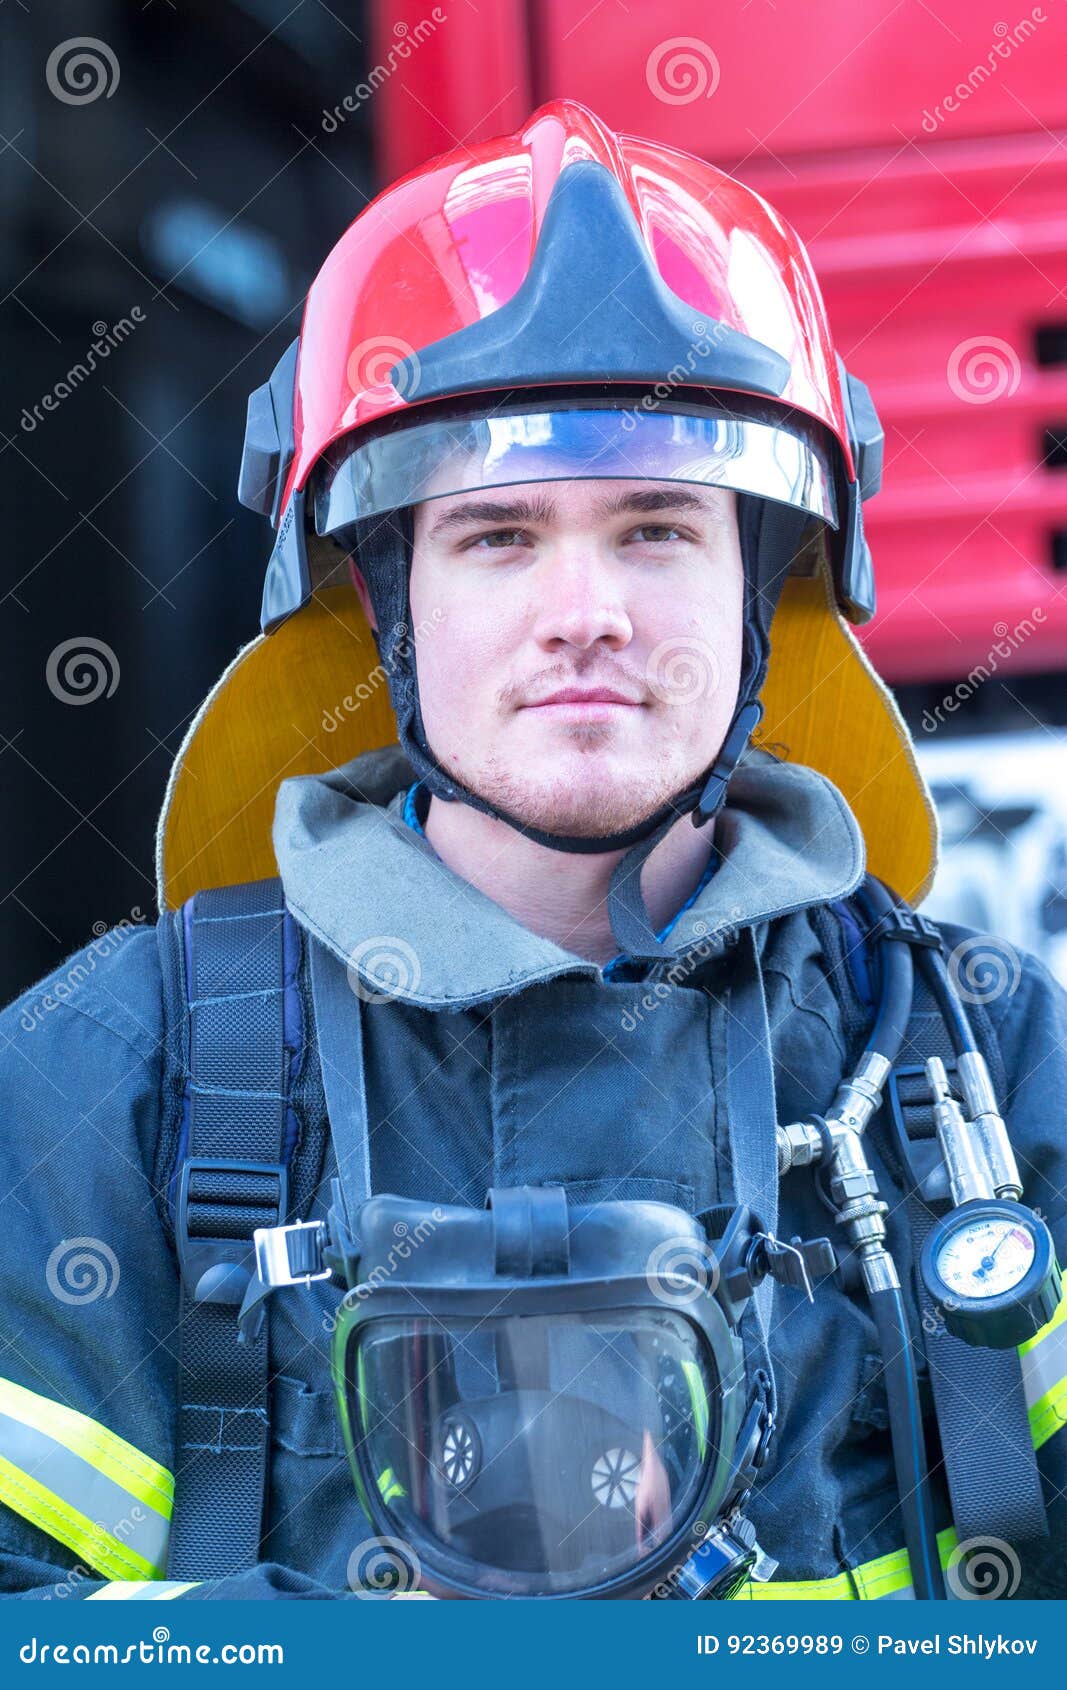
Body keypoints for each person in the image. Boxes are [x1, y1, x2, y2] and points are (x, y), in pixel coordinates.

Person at [1, 98, 1065, 1602]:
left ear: (769, 588)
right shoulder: (101, 1084)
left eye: (657, 527)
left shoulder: (998, 1068)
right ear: (381, 601)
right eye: (499, 533)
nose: (589, 610)